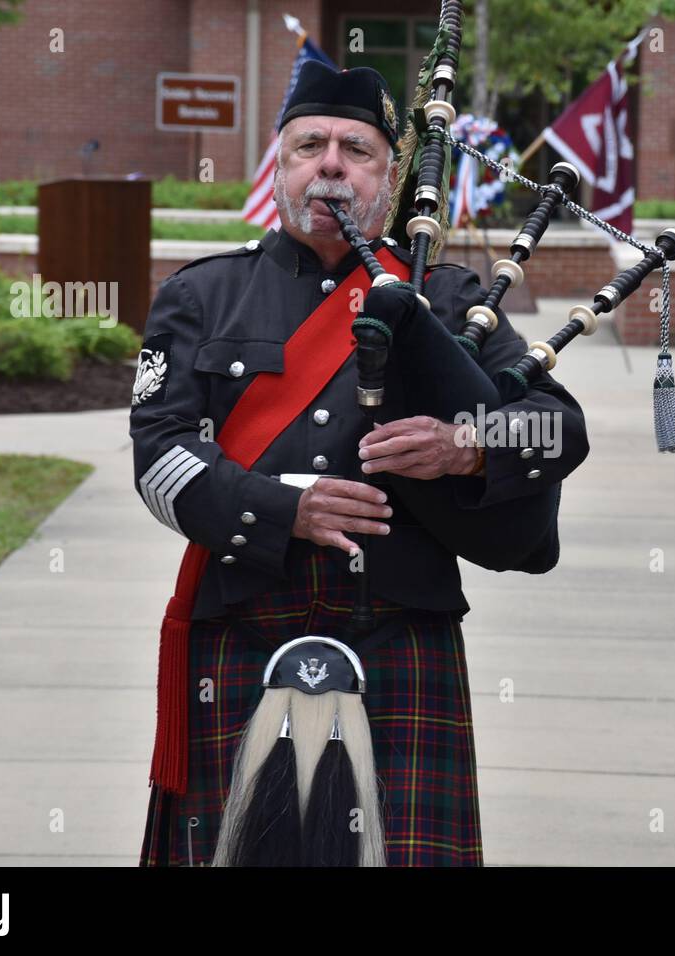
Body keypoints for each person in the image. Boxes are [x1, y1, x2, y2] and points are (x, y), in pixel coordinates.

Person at [130, 61, 589, 866]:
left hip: (398, 627)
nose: (331, 163)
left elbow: (555, 429)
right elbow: (160, 457)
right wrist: (282, 511)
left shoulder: (445, 298)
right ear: (279, 164)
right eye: (310, 144)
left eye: (357, 148)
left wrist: (467, 446)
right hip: (242, 618)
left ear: (390, 177)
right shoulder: (202, 295)